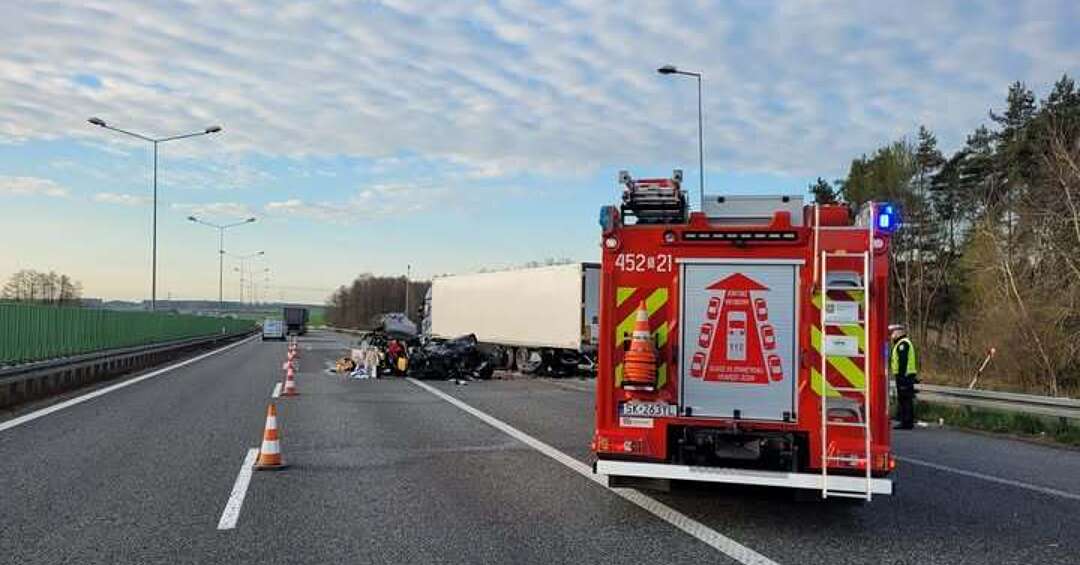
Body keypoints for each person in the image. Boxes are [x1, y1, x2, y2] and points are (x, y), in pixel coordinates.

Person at [890, 324, 918, 429]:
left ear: (899, 333)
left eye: (893, 333)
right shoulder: (903, 343)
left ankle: (906, 422)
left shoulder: (903, 344)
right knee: (906, 399)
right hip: (906, 376)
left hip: (904, 376)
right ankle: (907, 421)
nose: (892, 335)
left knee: (905, 400)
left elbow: (902, 361)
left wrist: (901, 376)